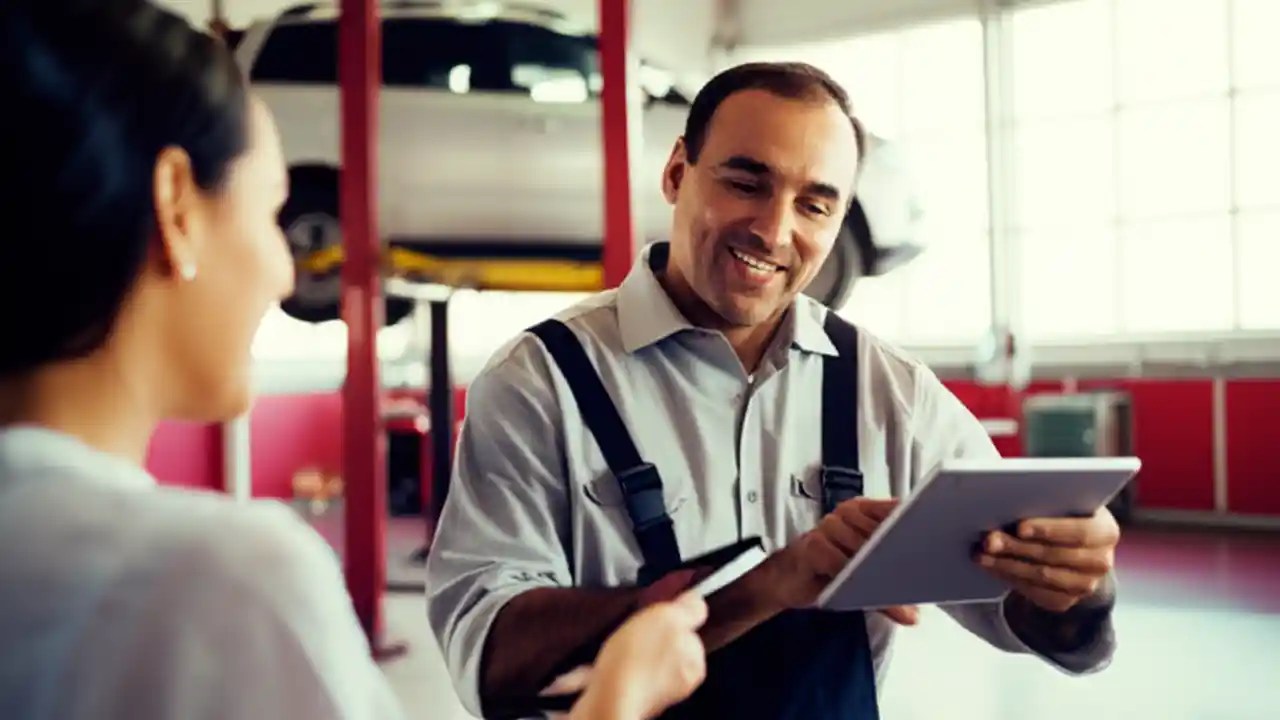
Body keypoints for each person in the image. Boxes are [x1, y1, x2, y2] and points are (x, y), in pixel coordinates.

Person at [0, 1, 708, 719]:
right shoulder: (218, 582)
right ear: (176, 206)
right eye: (273, 213)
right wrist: (621, 693)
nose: (287, 271)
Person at [424, 61, 1122, 719]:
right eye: (746, 182)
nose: (774, 228)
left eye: (815, 206)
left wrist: (1075, 583)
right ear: (676, 171)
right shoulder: (540, 381)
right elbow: (489, 654)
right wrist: (767, 586)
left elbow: (1047, 632)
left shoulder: (893, 393)